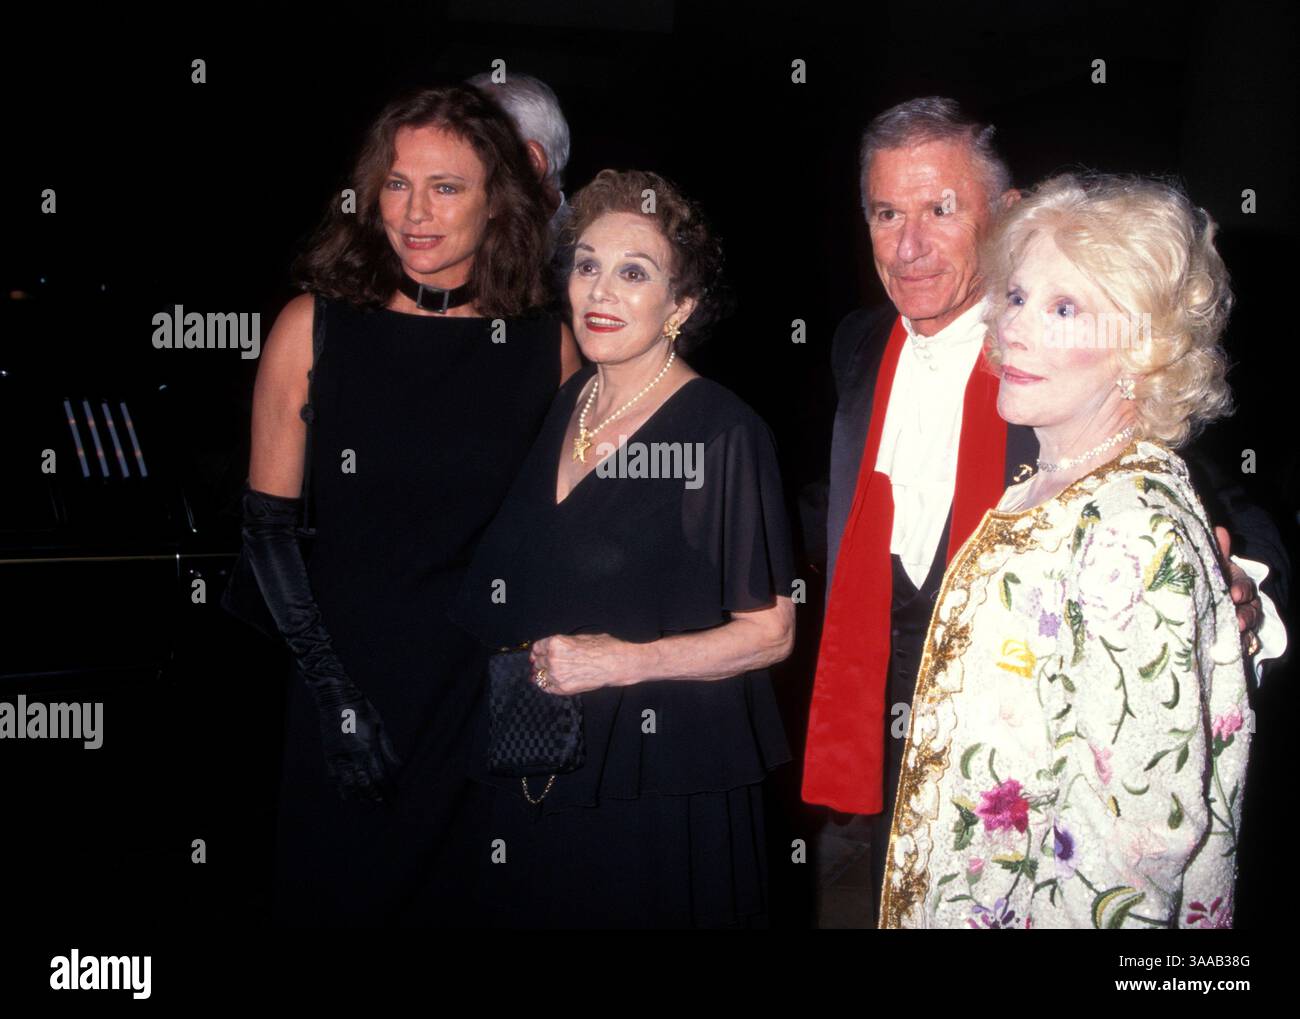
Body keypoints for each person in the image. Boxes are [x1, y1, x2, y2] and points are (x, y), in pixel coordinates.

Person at [799, 97, 1287, 925]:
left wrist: (1235, 594)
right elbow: (839, 508)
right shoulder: (855, 343)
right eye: (886, 212)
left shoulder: (1069, 360)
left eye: (940, 209)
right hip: (866, 767)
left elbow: (1203, 492)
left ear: (1005, 212)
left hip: (1038, 804)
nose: (908, 245)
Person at [242, 83, 580, 926]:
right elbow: (266, 533)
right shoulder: (312, 328)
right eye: (398, 184)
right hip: (346, 684)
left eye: (446, 186)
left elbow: (568, 538)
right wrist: (332, 693)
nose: (415, 212)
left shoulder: (550, 345)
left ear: (497, 200)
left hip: (481, 694)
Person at [880, 172, 1253, 928]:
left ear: (1143, 348)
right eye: (1017, 296)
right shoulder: (1054, 480)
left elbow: (1133, 854)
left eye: (1064, 307)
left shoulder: (1131, 525)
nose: (1014, 327)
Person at [450, 169, 796, 928]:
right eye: (587, 265)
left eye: (633, 273)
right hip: (545, 755)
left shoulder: (721, 431)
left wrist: (624, 661)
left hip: (657, 779)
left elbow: (771, 632)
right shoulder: (575, 401)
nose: (600, 292)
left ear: (681, 307)